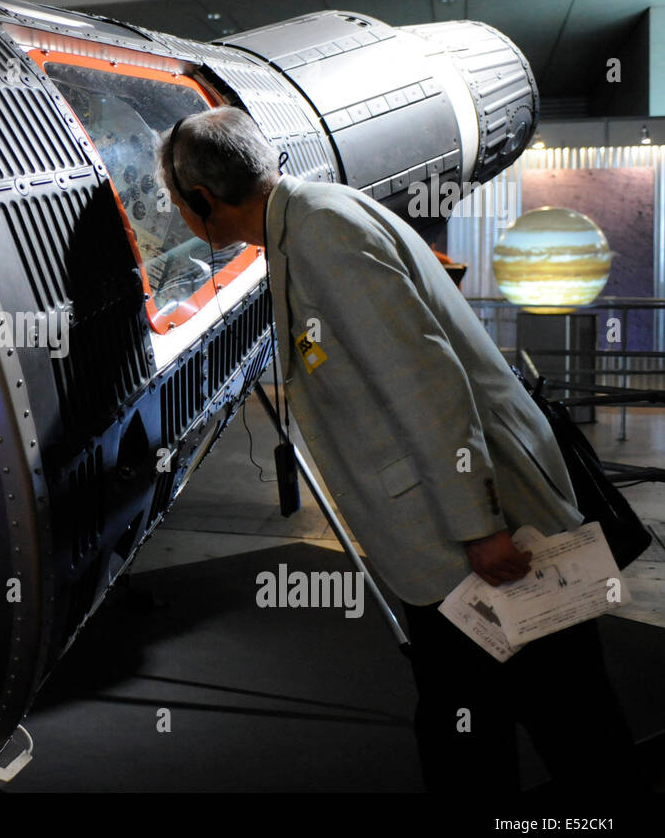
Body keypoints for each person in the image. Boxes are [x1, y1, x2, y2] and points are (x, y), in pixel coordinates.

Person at [160, 106, 640, 792]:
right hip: (452, 533)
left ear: (204, 199)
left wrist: (478, 526)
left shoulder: (323, 234)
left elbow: (425, 384)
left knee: (535, 715)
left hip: (468, 538)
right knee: (509, 711)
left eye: (177, 203)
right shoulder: (312, 219)